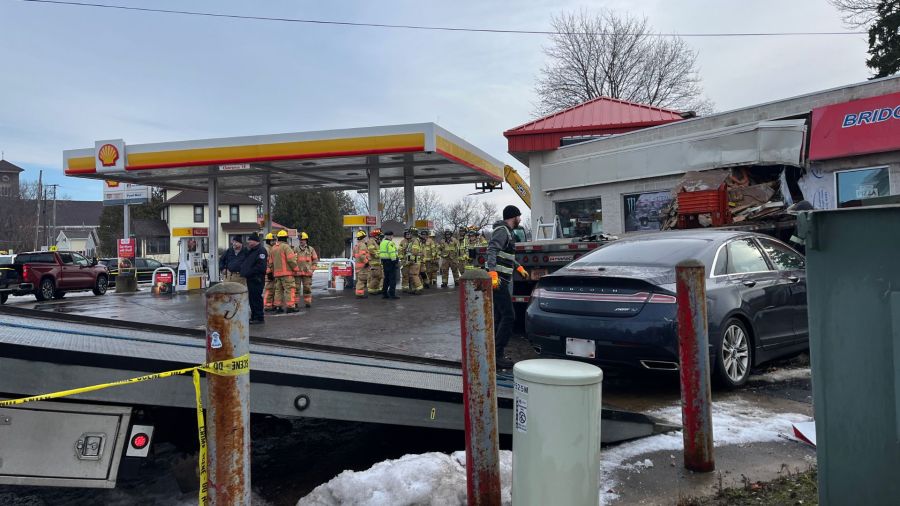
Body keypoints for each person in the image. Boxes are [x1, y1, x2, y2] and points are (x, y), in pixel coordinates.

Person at [486, 205, 529, 370]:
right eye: (519, 216)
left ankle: (494, 353)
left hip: (503, 279)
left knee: (499, 316)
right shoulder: (502, 231)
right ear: (513, 216)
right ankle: (497, 355)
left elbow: (506, 255)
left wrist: (519, 267)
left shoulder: (508, 232)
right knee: (509, 316)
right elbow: (492, 250)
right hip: (499, 281)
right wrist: (492, 273)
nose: (520, 219)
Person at [267, 230, 298, 313]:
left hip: (277, 274)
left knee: (278, 291)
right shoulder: (286, 247)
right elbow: (291, 260)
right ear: (285, 238)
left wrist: (273, 272)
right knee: (290, 290)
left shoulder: (273, 248)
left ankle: (278, 307)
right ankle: (290, 307)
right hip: (287, 274)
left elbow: (270, 263)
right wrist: (296, 269)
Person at [240, 232, 268, 325]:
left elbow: (261, 266)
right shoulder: (251, 251)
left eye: (250, 240)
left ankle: (259, 317)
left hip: (257, 278)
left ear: (256, 241)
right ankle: (254, 316)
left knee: (256, 298)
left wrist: (250, 271)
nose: (248, 242)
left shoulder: (261, 251)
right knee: (252, 298)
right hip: (251, 278)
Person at [293, 231, 319, 309]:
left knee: (307, 289)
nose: (301, 241)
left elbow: (315, 260)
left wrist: (312, 270)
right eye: (300, 240)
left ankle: (308, 303)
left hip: (307, 273)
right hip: (297, 273)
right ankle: (295, 303)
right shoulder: (295, 249)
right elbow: (291, 261)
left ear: (306, 240)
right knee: (296, 289)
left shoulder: (311, 249)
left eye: (303, 239)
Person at [379, 229, 399, 299]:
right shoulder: (390, 243)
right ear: (390, 236)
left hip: (384, 262)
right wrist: (395, 261)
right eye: (392, 236)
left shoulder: (382, 243)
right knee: (392, 279)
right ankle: (392, 294)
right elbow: (392, 253)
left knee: (386, 279)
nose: (392, 237)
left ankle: (384, 293)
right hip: (391, 262)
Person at [352, 230, 370, 298]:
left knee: (359, 280)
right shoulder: (362, 245)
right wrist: (366, 262)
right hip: (363, 266)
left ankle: (359, 293)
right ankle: (359, 294)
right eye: (365, 237)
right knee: (361, 281)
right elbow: (362, 255)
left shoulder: (356, 245)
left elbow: (354, 255)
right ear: (363, 238)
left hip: (358, 266)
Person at [367, 229, 384, 296]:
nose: (380, 237)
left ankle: (375, 290)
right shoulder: (371, 241)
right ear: (375, 235)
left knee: (379, 277)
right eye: (379, 235)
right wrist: (379, 255)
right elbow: (372, 251)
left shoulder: (376, 241)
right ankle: (371, 290)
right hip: (374, 263)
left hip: (377, 263)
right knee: (375, 277)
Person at [263, 232, 276, 312]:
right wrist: (269, 272)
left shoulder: (272, 248)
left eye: (274, 240)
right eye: (272, 240)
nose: (274, 242)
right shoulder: (266, 249)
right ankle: (267, 305)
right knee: (269, 289)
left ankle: (271, 304)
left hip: (273, 272)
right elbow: (266, 263)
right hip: (269, 273)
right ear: (268, 241)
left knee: (273, 289)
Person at [399, 228, 415, 293]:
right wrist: (402, 258)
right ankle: (405, 288)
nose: (408, 235)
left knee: (413, 274)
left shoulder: (414, 241)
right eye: (406, 234)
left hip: (413, 260)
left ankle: (413, 287)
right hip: (405, 260)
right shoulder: (402, 241)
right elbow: (400, 251)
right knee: (405, 274)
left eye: (409, 234)